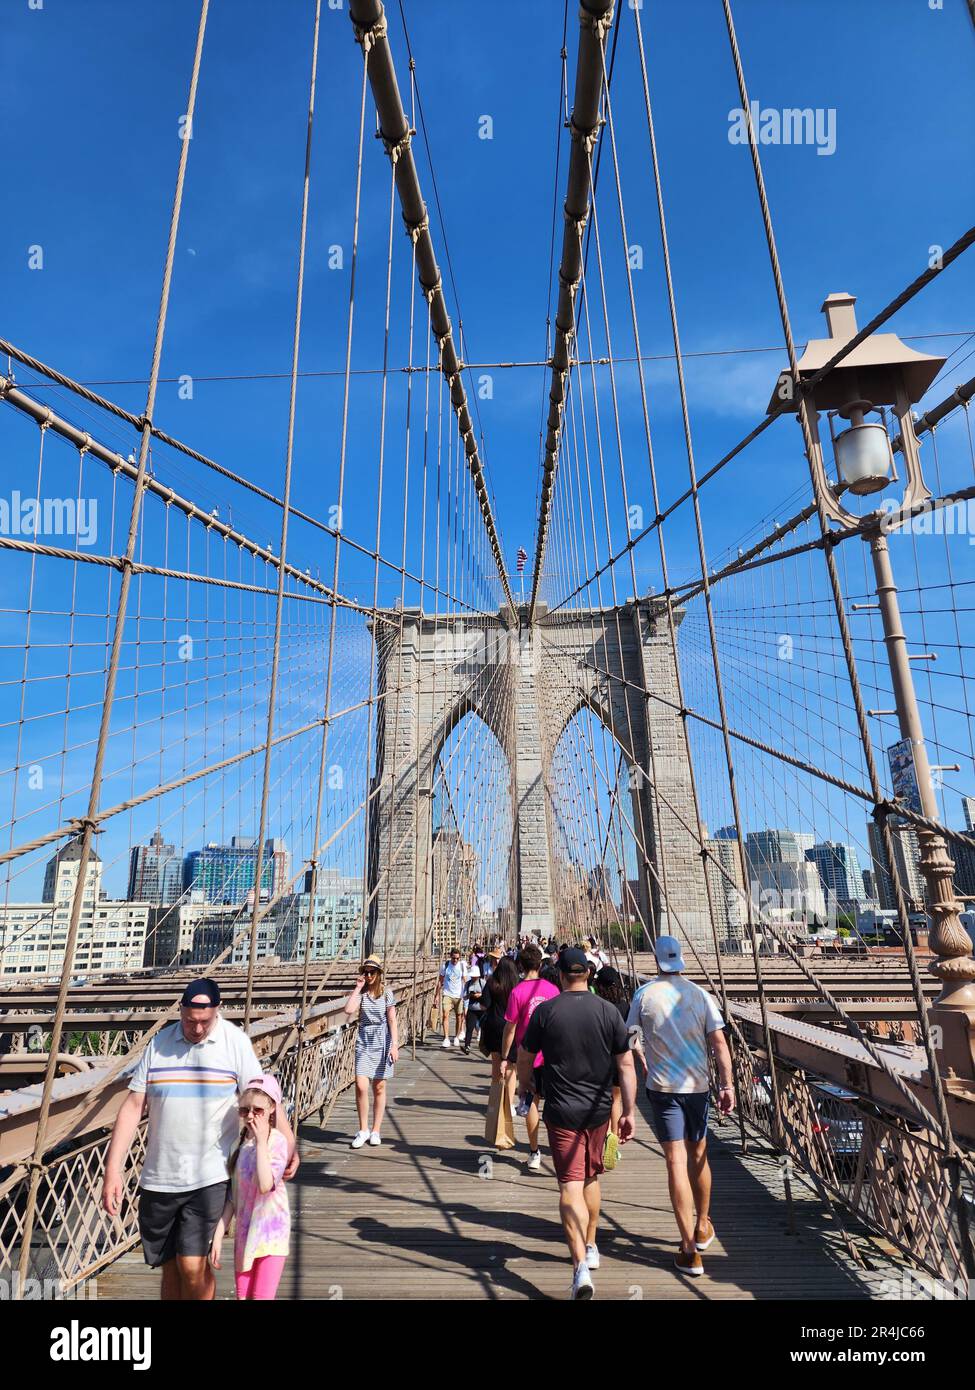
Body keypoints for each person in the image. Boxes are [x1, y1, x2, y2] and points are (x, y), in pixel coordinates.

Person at [101, 977, 297, 1301]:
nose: (196, 1028)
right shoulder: (160, 1044)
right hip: (159, 1177)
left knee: (192, 1266)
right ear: (181, 1011)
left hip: (210, 1175)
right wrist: (113, 1170)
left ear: (217, 1012)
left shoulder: (234, 1042)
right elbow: (134, 1105)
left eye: (204, 1021)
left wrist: (288, 1144)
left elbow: (264, 1097)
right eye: (190, 1020)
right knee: (169, 1267)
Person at [518, 947, 636, 1300]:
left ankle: (580, 1267)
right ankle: (592, 1244)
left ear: (560, 972)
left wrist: (527, 1087)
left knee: (569, 1185)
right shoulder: (609, 1011)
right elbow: (627, 1066)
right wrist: (628, 1111)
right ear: (587, 973)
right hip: (599, 1111)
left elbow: (524, 1057)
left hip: (561, 1111)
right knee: (590, 1178)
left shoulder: (546, 1011)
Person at [626, 934, 735, 1277]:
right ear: (681, 959)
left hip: (662, 1088)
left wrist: (642, 1054)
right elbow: (719, 1043)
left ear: (656, 960)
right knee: (699, 1154)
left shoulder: (644, 994)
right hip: (698, 1088)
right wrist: (728, 1084)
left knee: (675, 1160)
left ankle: (688, 1250)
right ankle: (703, 1226)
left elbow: (630, 1037)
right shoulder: (700, 995)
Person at [210, 1073, 290, 1300]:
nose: (251, 1116)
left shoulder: (276, 1142)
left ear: (272, 1108)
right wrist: (217, 1236)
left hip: (270, 1235)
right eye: (245, 1111)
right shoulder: (240, 1145)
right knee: (242, 1296)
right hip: (245, 1236)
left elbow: (265, 1185)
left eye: (258, 1110)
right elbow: (234, 1199)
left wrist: (262, 1142)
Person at [500, 943, 558, 1171]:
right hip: (553, 1057)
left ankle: (534, 1152)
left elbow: (510, 1029)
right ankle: (560, 1148)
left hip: (528, 1058)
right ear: (540, 964)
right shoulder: (553, 990)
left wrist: (505, 1056)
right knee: (555, 1104)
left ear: (521, 966)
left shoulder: (517, 992)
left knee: (530, 1103)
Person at [344, 954, 398, 1148]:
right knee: (360, 1085)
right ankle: (363, 1129)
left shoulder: (387, 993)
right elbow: (348, 1010)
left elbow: (392, 1020)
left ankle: (375, 1130)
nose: (368, 975)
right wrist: (358, 987)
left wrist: (394, 1045)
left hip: (382, 1041)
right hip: (364, 1040)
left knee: (379, 1087)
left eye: (371, 972)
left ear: (378, 973)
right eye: (365, 972)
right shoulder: (362, 993)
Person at [479, 955, 519, 1149]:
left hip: (495, 1027)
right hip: (512, 1027)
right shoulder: (517, 985)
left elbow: (483, 1005)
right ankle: (509, 1104)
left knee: (497, 1065)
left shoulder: (492, 983)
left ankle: (496, 1097)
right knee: (512, 1068)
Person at [594, 965, 629, 1156]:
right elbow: (632, 1033)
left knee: (599, 1100)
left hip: (598, 1060)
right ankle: (613, 1139)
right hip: (619, 1059)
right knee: (616, 1100)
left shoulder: (596, 1005)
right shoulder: (625, 1006)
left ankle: (601, 1136)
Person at [435, 946, 470, 1048]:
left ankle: (456, 1036)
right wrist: (436, 996)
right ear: (450, 957)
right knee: (445, 1015)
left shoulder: (462, 966)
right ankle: (446, 1038)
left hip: (458, 995)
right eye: (454, 958)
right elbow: (440, 981)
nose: (455, 960)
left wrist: (465, 994)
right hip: (447, 994)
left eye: (457, 958)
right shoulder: (445, 966)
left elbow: (465, 981)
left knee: (459, 1017)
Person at [461, 964, 484, 1053]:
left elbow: (486, 995)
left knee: (484, 1028)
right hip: (471, 1009)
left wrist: (479, 995)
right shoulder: (468, 984)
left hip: (481, 1008)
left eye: (475, 976)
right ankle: (467, 1046)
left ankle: (484, 1045)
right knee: (469, 1027)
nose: (474, 978)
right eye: (472, 976)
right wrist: (470, 995)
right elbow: (464, 997)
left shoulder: (482, 983)